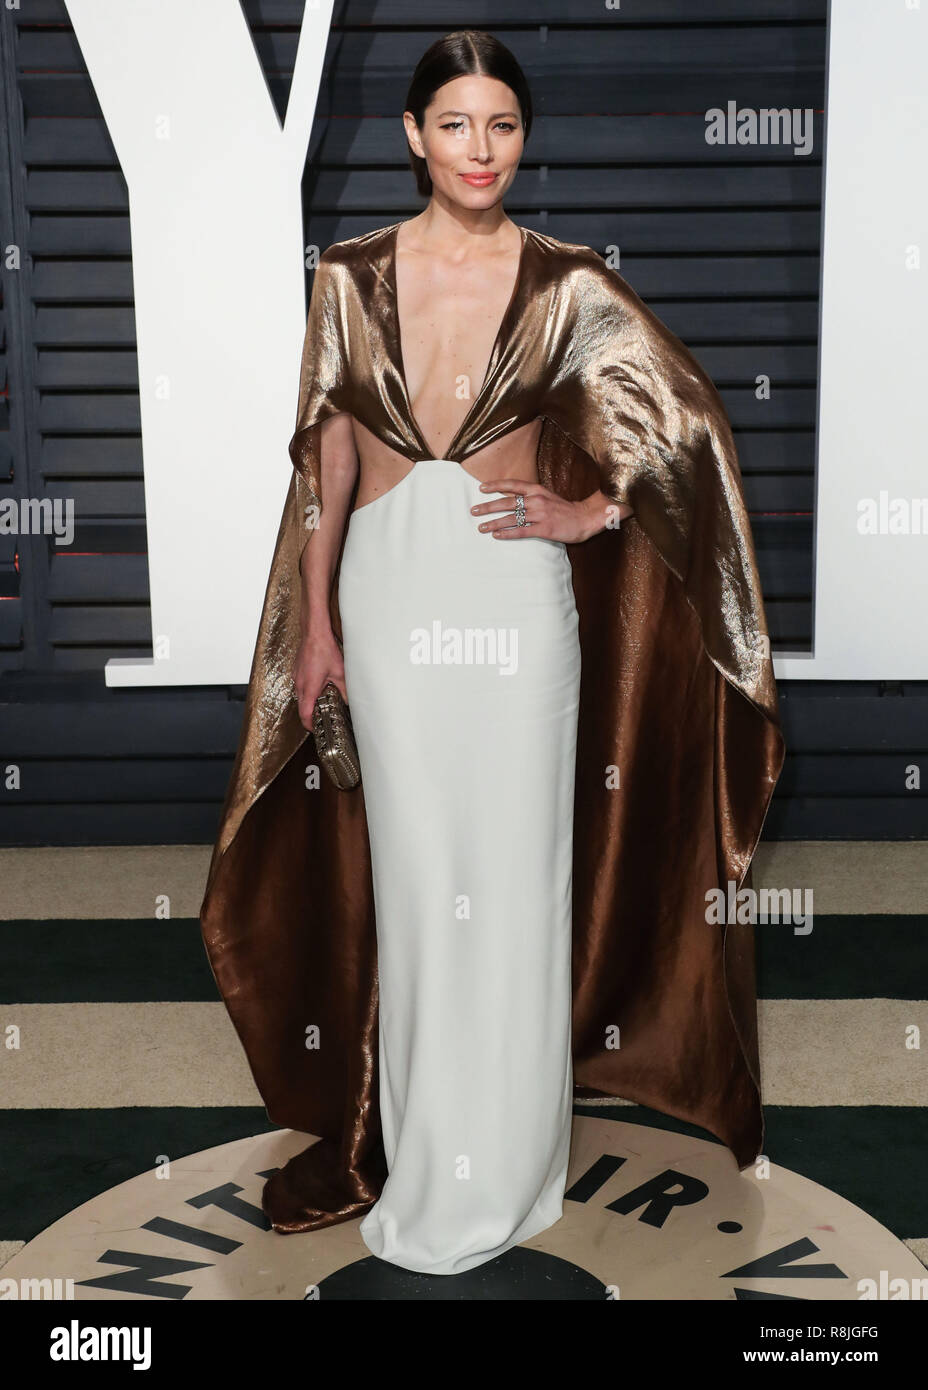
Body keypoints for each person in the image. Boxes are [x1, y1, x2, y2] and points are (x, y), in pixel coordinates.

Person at [199, 30, 785, 1276]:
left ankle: (513, 1174)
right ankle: (425, 1163)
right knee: (422, 887)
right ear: (416, 136)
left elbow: (680, 429)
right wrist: (316, 624)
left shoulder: (566, 283)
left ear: (522, 140)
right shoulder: (348, 276)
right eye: (456, 125)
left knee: (517, 886)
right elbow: (331, 464)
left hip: (519, 604)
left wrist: (596, 512)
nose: (480, 150)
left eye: (502, 126)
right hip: (395, 593)